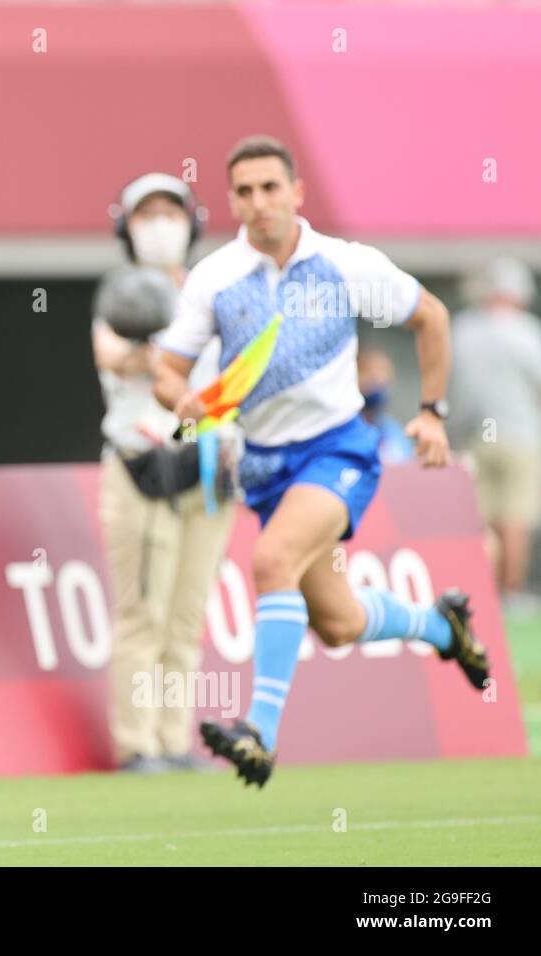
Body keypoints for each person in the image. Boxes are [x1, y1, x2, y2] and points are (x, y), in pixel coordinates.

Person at [153, 135, 490, 787]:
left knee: (272, 560)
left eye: (270, 188)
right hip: (263, 468)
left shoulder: (345, 265)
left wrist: (431, 413)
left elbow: (432, 316)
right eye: (244, 192)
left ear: (296, 193)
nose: (258, 203)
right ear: (232, 201)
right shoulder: (215, 279)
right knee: (337, 622)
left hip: (338, 451)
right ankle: (443, 627)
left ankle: (261, 732)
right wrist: (188, 401)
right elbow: (168, 372)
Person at [92, 173, 235, 773]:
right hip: (141, 464)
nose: (160, 224)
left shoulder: (216, 290)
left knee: (185, 616)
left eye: (170, 213)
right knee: (143, 612)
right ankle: (137, 743)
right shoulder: (121, 293)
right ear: (126, 227)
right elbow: (114, 356)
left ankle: (175, 741)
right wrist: (157, 353)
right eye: (146, 214)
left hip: (205, 466)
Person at [448, 258, 541, 605]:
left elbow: (454, 385)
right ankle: (510, 593)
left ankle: (479, 591)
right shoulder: (527, 331)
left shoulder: (463, 329)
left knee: (478, 520)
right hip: (520, 436)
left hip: (472, 436)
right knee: (515, 518)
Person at [357, 348, 415, 464]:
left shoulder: (393, 430)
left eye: (385, 374)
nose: (380, 380)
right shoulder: (344, 430)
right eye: (371, 373)